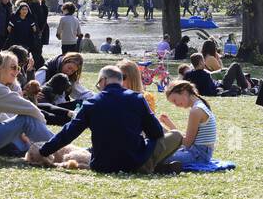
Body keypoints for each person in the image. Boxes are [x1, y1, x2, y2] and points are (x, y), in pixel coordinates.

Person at [28, 65, 183, 173]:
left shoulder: (91, 103)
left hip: (102, 165)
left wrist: (44, 151)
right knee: (175, 136)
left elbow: (68, 133)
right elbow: (156, 133)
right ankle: (152, 166)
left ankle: (155, 167)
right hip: (134, 161)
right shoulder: (137, 99)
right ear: (120, 81)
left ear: (103, 80)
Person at [159, 80, 219, 170]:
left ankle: (165, 167)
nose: (176, 105)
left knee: (157, 157)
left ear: (183, 91)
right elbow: (187, 139)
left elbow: (187, 143)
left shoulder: (196, 110)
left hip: (198, 155)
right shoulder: (199, 106)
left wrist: (162, 129)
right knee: (160, 154)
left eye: (175, 100)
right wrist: (169, 124)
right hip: (199, 152)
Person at [10, 0, 40, 65]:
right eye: (23, 9)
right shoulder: (14, 18)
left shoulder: (30, 19)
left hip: (26, 42)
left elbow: (34, 29)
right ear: (19, 10)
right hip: (16, 41)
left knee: (24, 57)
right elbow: (9, 29)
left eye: (26, 9)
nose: (25, 11)